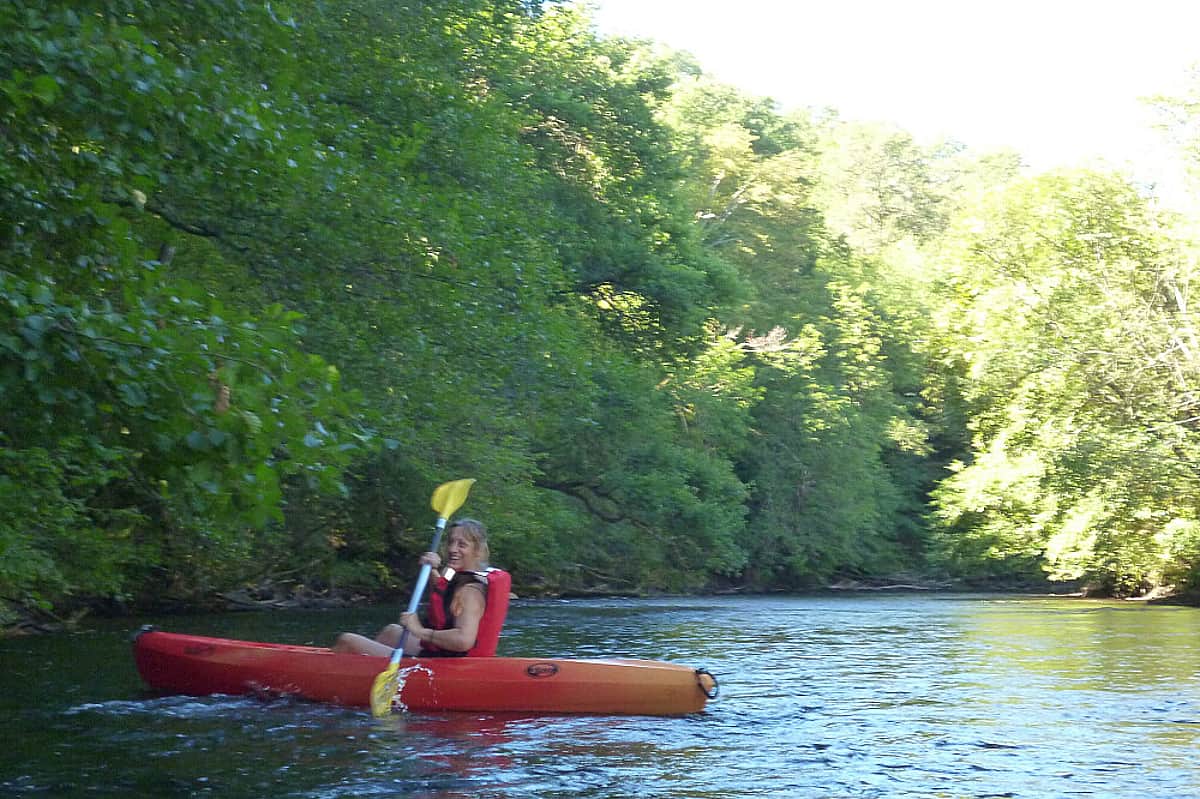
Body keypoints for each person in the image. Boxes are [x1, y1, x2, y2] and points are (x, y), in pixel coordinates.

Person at [332, 518, 510, 658]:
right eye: (451, 542)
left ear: (477, 550)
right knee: (390, 632)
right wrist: (432, 569)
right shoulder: (459, 572)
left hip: (447, 663)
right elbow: (442, 587)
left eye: (462, 545)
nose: (452, 549)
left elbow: (464, 641)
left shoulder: (470, 591)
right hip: (442, 653)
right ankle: (368, 677)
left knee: (346, 641)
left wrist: (420, 631)